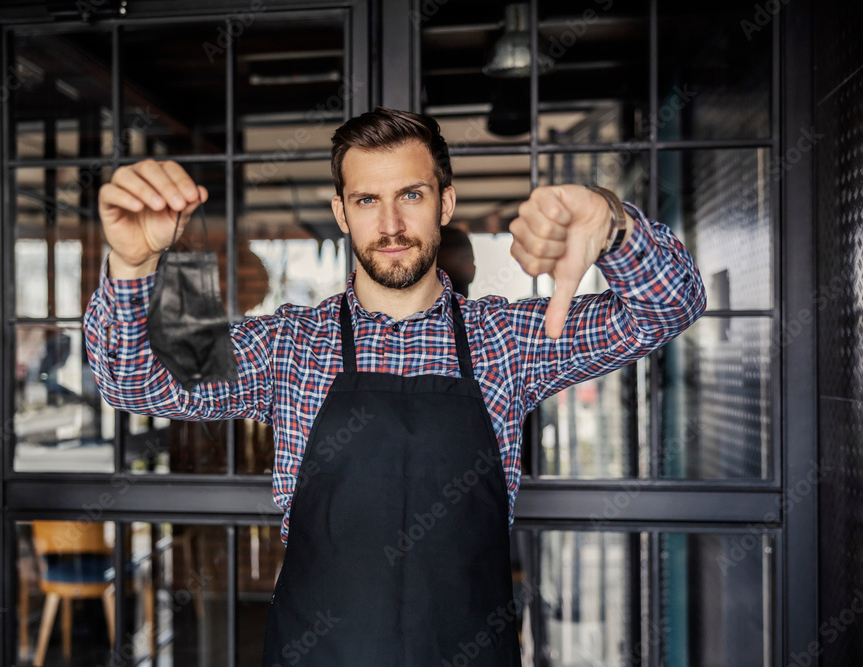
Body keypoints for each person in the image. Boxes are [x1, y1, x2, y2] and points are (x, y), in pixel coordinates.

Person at [84, 107, 706, 666]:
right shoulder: (288, 345)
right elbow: (134, 381)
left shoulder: (511, 339)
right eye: (366, 201)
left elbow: (670, 306)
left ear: (445, 203)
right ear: (340, 212)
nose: (390, 223)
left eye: (411, 194)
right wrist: (133, 264)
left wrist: (616, 226)